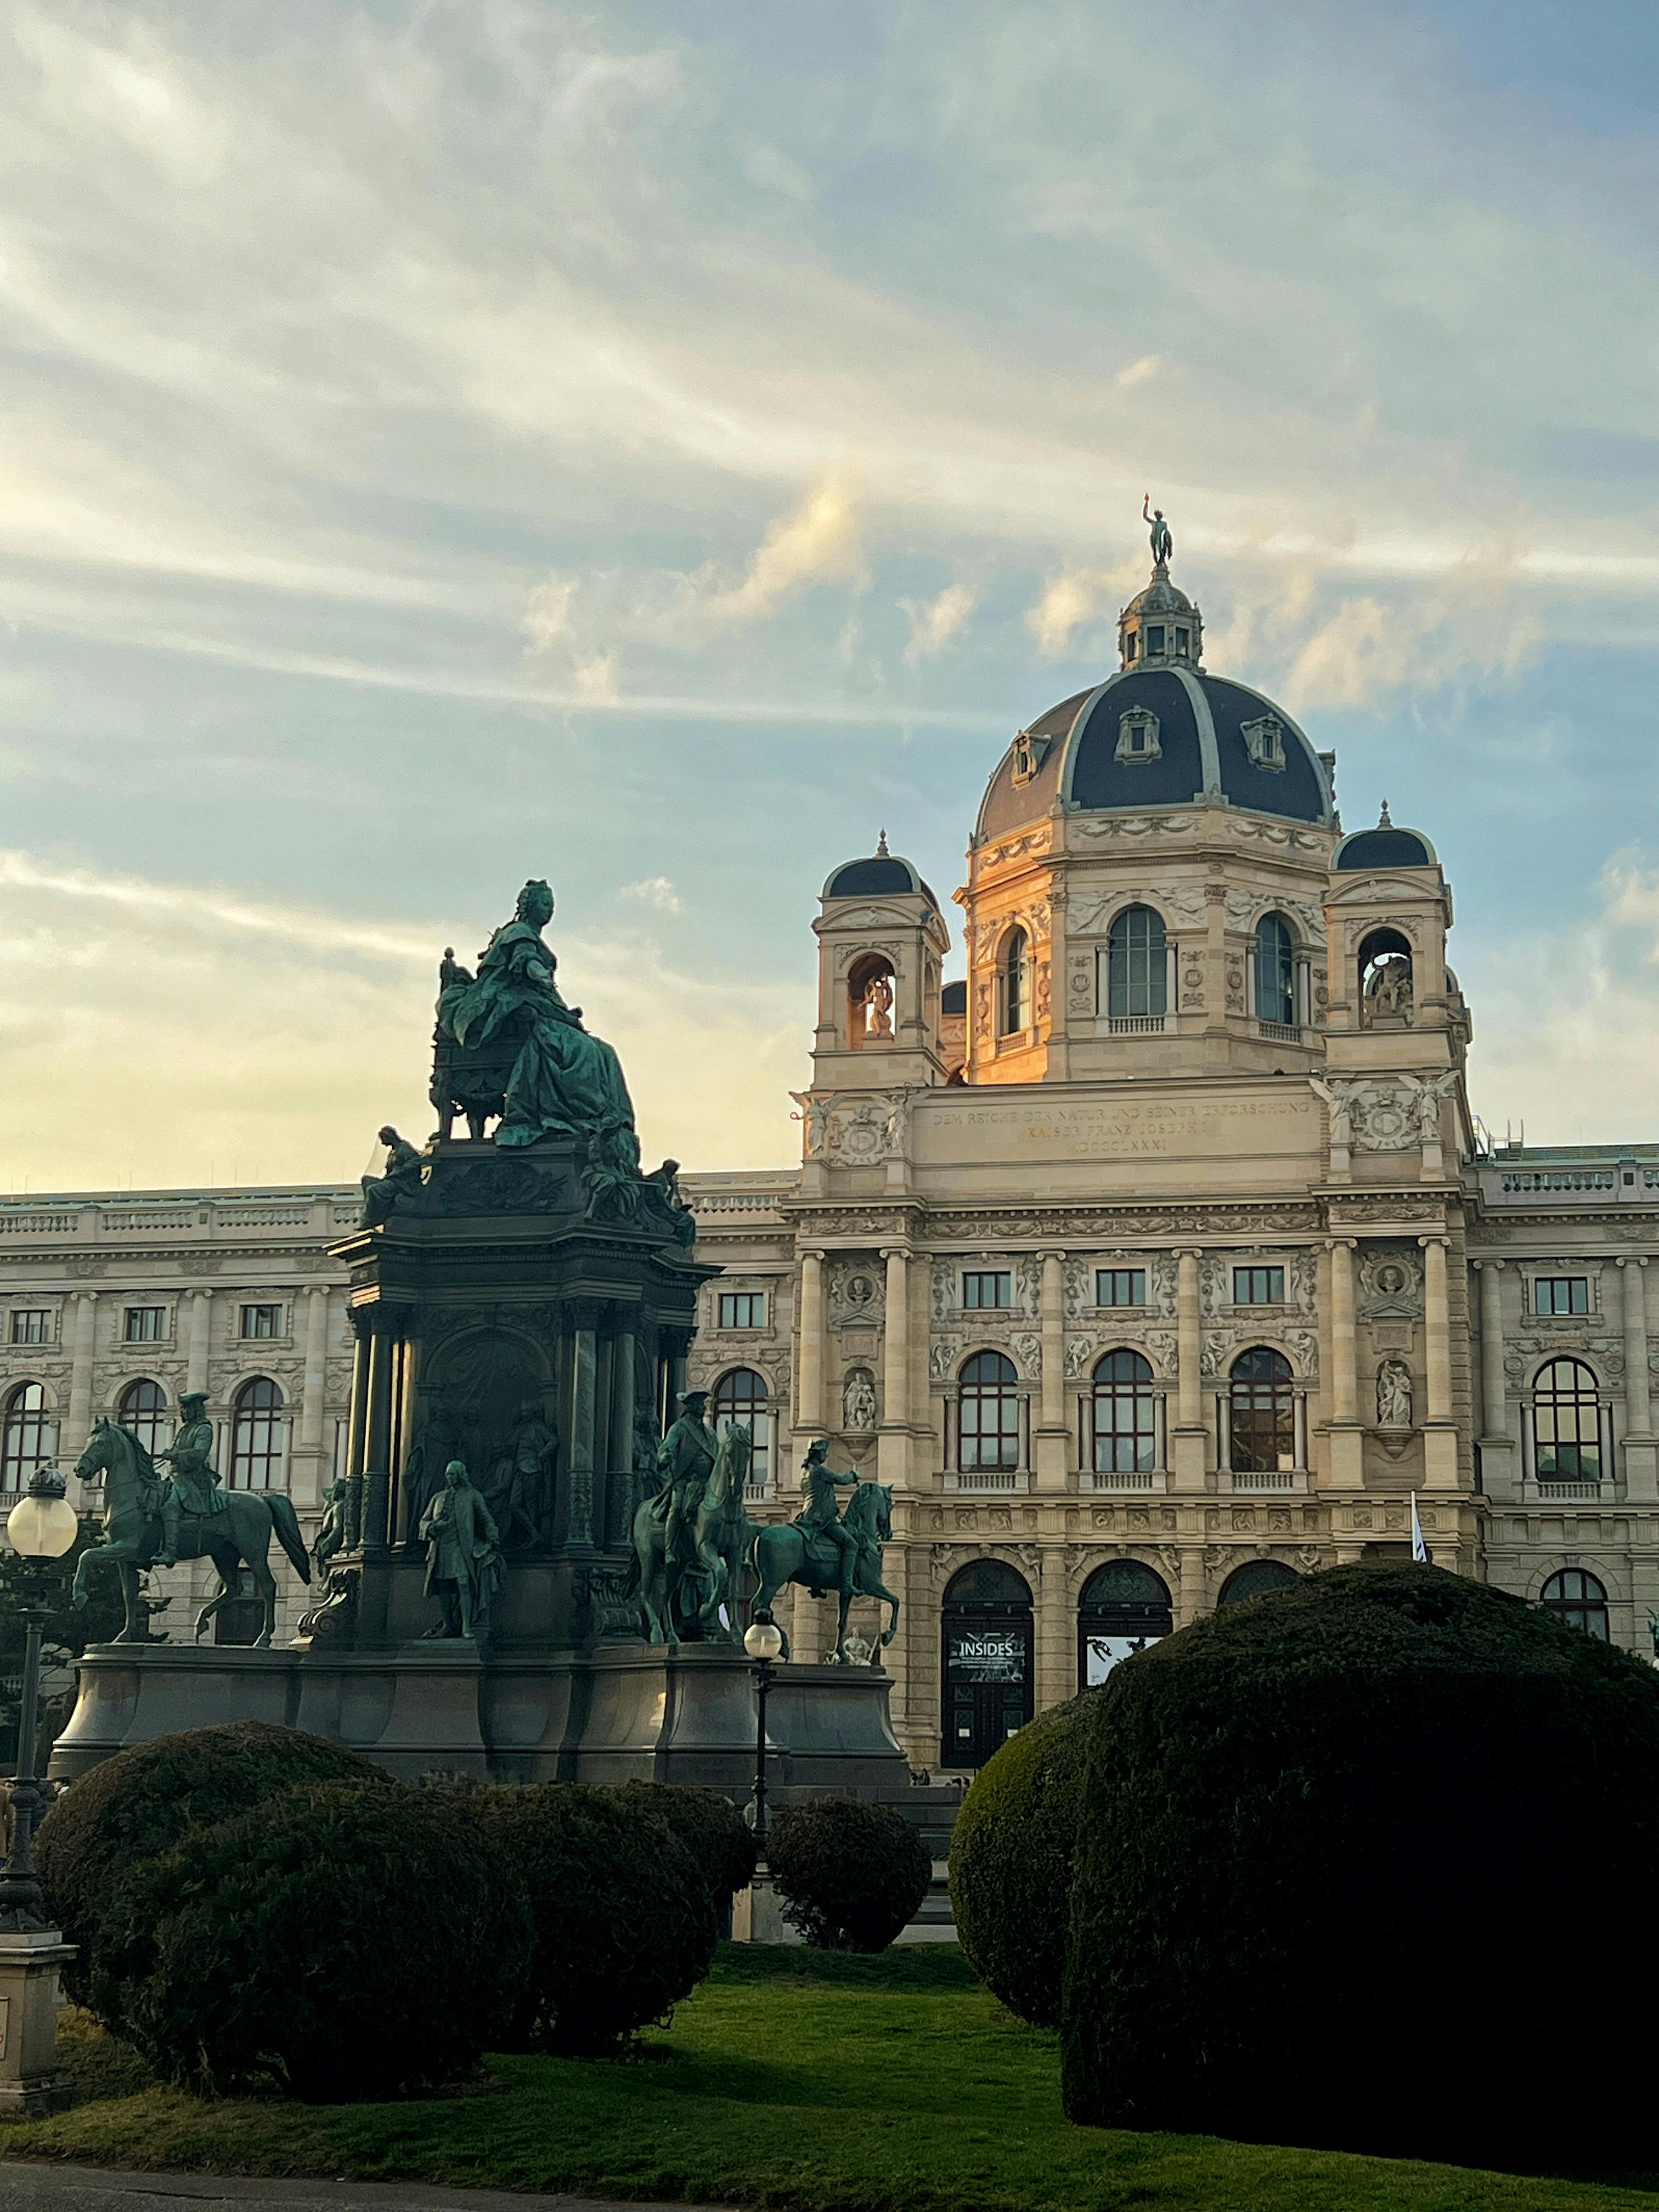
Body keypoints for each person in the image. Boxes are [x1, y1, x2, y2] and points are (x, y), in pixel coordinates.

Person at [437, 879, 637, 1149]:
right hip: (513, 1012)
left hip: (534, 1007)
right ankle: (583, 1116)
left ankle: (602, 1119)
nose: (550, 910)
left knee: (603, 1051)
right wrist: (542, 977)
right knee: (582, 1051)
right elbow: (526, 962)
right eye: (545, 904)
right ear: (530, 906)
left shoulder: (526, 933)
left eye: (552, 905)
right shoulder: (520, 933)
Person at [417, 1460, 504, 1640]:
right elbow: (424, 1520)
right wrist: (432, 1527)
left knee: (463, 1583)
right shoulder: (438, 1497)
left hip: (462, 1546)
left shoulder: (473, 1495)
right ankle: (448, 1626)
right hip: (441, 1547)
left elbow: (486, 1518)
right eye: (448, 1474)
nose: (450, 1478)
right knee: (444, 1588)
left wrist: (493, 1536)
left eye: (453, 1474)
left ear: (461, 1475)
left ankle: (466, 1626)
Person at [154, 1391, 227, 1566]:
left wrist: (174, 1455)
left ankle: (170, 1552)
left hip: (194, 1480)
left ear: (196, 1410)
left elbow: (200, 1454)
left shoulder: (204, 1429)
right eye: (182, 1409)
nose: (184, 1412)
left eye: (187, 1408)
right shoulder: (185, 1430)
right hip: (176, 1478)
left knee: (170, 1506)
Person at [656, 1388, 719, 1565]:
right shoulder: (679, 1428)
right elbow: (665, 1448)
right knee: (676, 1509)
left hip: (706, 1484)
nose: (703, 1408)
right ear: (690, 1407)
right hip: (684, 1482)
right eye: (699, 1404)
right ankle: (670, 1549)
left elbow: (719, 1456)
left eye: (703, 1404)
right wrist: (664, 1458)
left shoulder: (711, 1433)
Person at [794, 1438, 859, 1598]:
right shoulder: (820, 1471)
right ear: (818, 1454)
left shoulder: (804, 1472)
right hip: (823, 1518)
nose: (826, 1455)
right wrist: (854, 1475)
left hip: (807, 1516)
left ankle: (817, 1584)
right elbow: (841, 1480)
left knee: (819, 1547)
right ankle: (847, 1583)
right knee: (851, 1544)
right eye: (824, 1453)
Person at [360, 1126, 422, 1227]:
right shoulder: (393, 1151)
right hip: (393, 1181)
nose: (382, 1143)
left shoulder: (404, 1148)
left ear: (389, 1137)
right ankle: (373, 1215)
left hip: (404, 1183)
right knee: (366, 1181)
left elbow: (415, 1162)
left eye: (383, 1139)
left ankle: (371, 1221)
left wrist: (399, 1172)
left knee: (373, 1190)